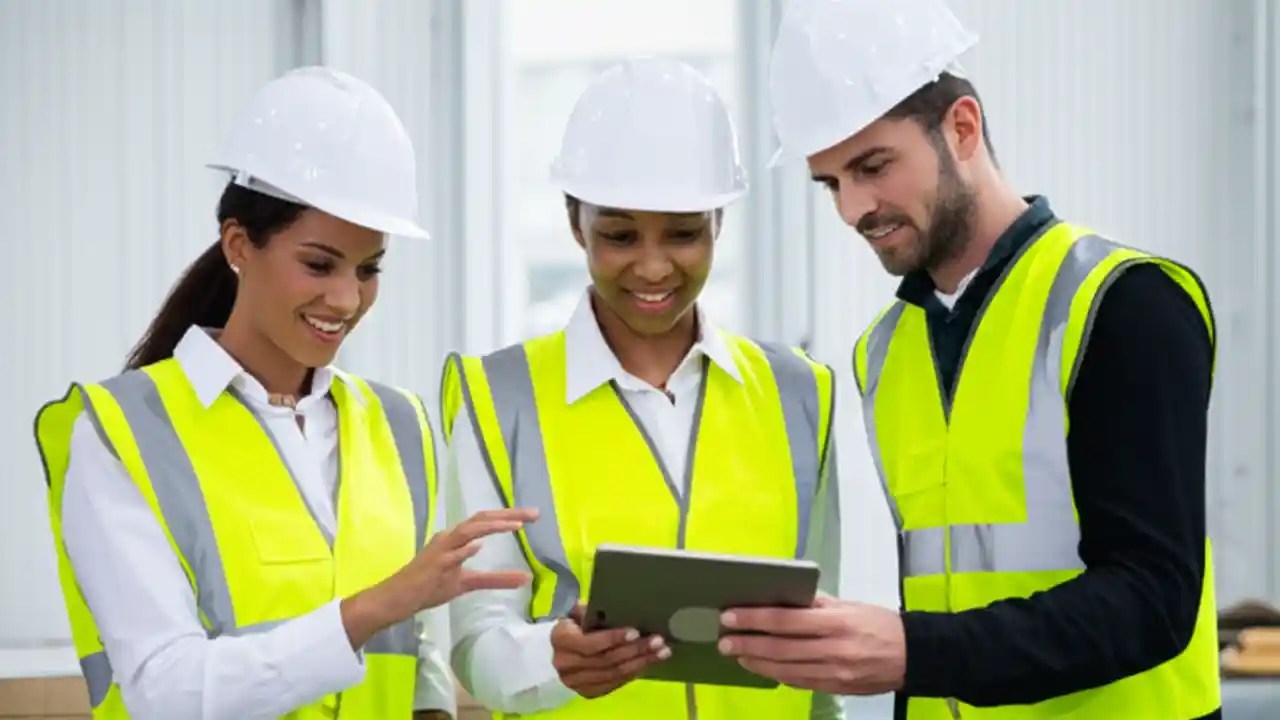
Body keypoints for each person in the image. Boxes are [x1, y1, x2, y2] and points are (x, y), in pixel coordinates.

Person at [715, 1, 1224, 718]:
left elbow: (1153, 598)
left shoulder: (1123, 303)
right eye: (831, 183)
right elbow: (935, 594)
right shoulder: (885, 352)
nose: (854, 208)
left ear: (961, 128)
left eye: (873, 166)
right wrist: (895, 652)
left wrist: (910, 651)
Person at [34, 66, 537, 720]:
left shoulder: (401, 426)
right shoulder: (119, 432)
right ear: (239, 244)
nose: (347, 299)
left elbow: (415, 662)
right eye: (319, 264)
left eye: (369, 269)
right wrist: (375, 605)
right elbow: (167, 691)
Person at [438, 57, 844, 719]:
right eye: (620, 235)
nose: (653, 267)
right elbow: (475, 640)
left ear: (719, 222)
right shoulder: (496, 397)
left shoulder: (802, 393)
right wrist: (554, 659)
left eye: (683, 234)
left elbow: (822, 646)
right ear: (576, 224)